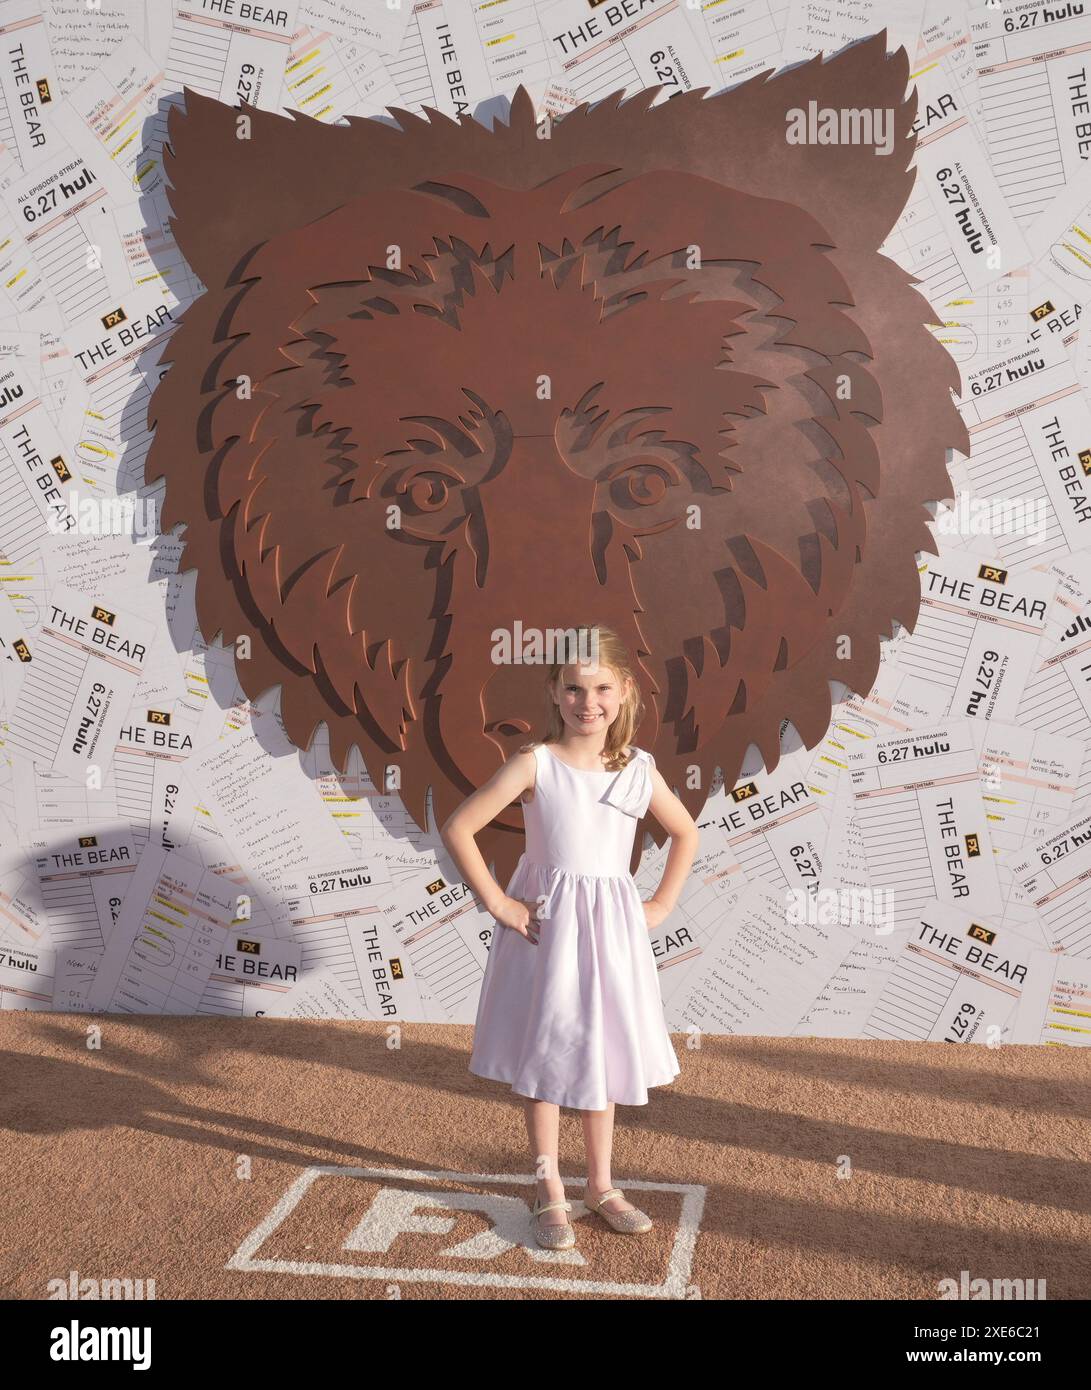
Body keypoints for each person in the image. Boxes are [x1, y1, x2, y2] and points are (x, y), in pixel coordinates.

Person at [440, 624, 699, 1250]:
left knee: (600, 1048)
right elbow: (459, 826)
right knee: (548, 1048)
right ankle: (549, 1184)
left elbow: (686, 832)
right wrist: (500, 903)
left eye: (602, 688)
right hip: (549, 929)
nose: (590, 702)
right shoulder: (536, 763)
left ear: (624, 691)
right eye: (575, 689)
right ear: (555, 694)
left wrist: (662, 902)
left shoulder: (638, 769)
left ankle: (601, 1185)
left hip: (609, 929)